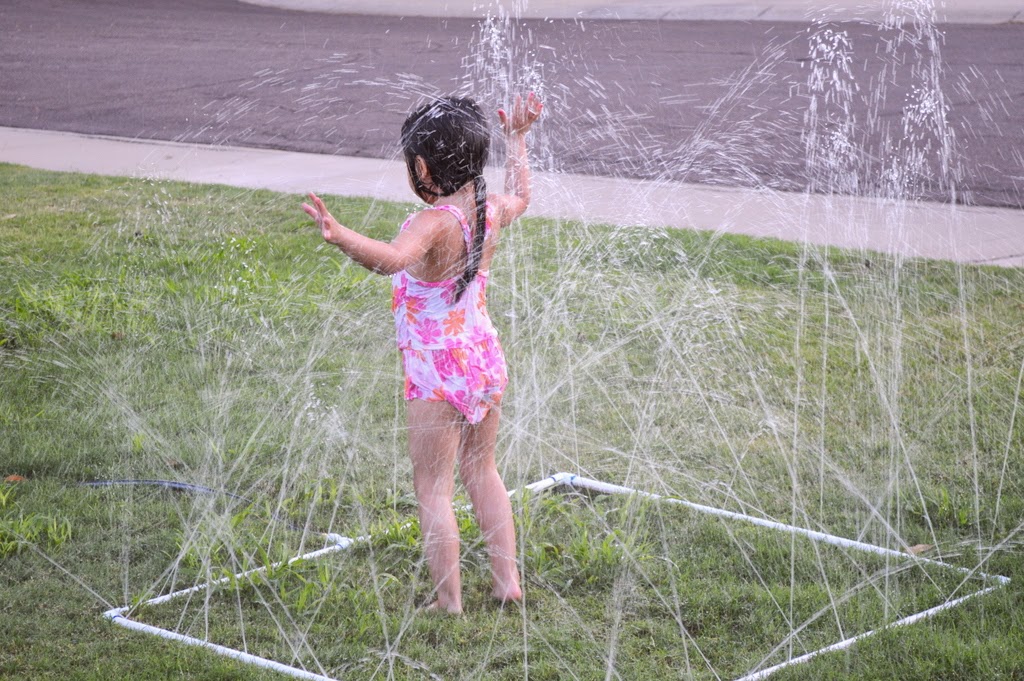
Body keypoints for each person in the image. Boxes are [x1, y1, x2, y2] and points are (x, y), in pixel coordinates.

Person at [302, 93, 543, 614]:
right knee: (483, 469)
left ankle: (448, 600)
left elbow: (391, 260)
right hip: (482, 355)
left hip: (437, 369)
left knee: (433, 485)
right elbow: (522, 196)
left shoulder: (431, 224)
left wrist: (340, 235)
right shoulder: (489, 208)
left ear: (422, 168)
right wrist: (519, 139)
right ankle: (507, 583)